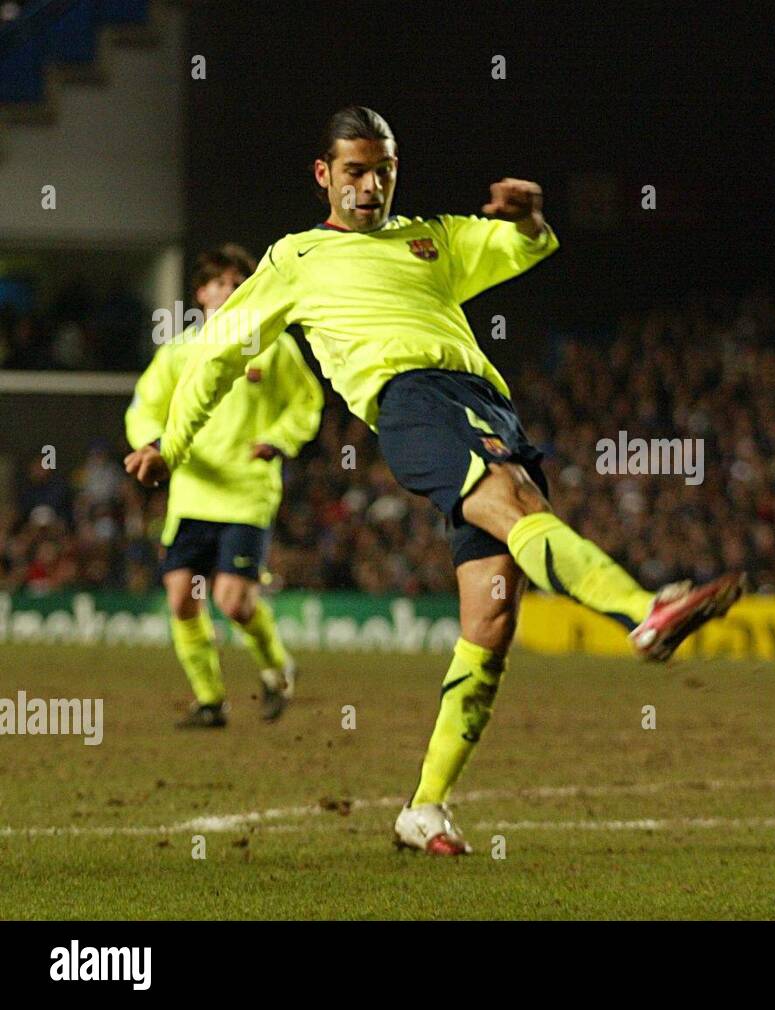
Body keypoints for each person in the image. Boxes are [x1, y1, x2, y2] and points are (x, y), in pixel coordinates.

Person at [123, 106, 742, 855]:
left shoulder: (431, 238)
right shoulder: (293, 261)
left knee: (492, 614)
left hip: (487, 405)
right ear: (324, 175)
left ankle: (424, 808)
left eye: (384, 169)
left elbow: (521, 248)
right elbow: (217, 355)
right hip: (411, 402)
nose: (370, 185)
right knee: (517, 508)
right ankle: (643, 612)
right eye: (355, 170)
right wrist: (170, 443)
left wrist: (531, 219)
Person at [125, 243, 322, 727]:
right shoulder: (177, 352)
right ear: (201, 293)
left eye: (238, 285)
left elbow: (306, 404)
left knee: (233, 603)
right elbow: (145, 407)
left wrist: (279, 438)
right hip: (191, 492)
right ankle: (210, 701)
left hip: (246, 493)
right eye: (219, 284)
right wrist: (151, 443)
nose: (228, 292)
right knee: (181, 598)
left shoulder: (273, 347)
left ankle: (278, 670)